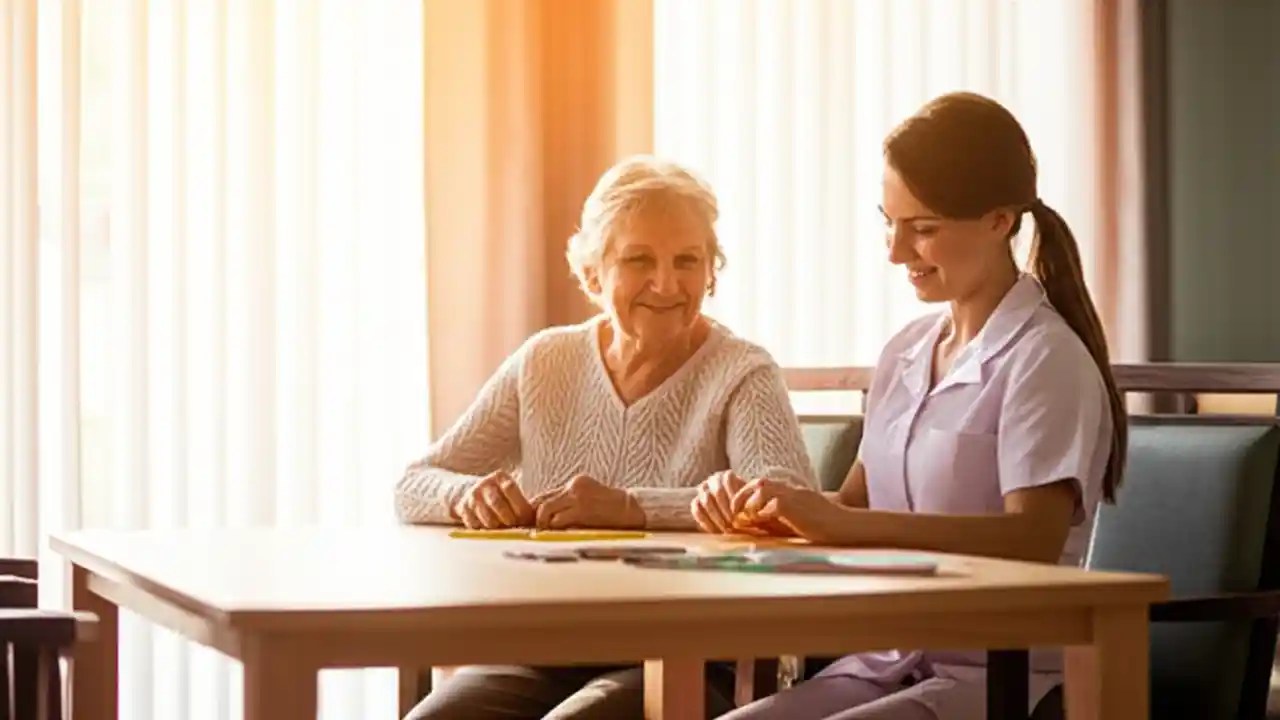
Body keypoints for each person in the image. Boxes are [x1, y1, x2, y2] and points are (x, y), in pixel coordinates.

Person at [700, 92, 1128, 720]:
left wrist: (843, 524)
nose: (896, 252)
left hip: (1000, 673)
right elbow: (852, 507)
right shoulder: (905, 352)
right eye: (889, 222)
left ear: (999, 221)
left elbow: (1032, 539)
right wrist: (766, 511)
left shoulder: (1046, 359)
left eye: (923, 229)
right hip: (887, 661)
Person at [396, 155, 817, 720]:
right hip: (539, 647)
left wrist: (630, 508)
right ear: (593, 275)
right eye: (639, 259)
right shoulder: (546, 360)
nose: (667, 284)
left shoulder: (741, 371)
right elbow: (414, 482)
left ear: (711, 273)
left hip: (688, 657)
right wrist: (465, 495)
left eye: (688, 261)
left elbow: (789, 503)